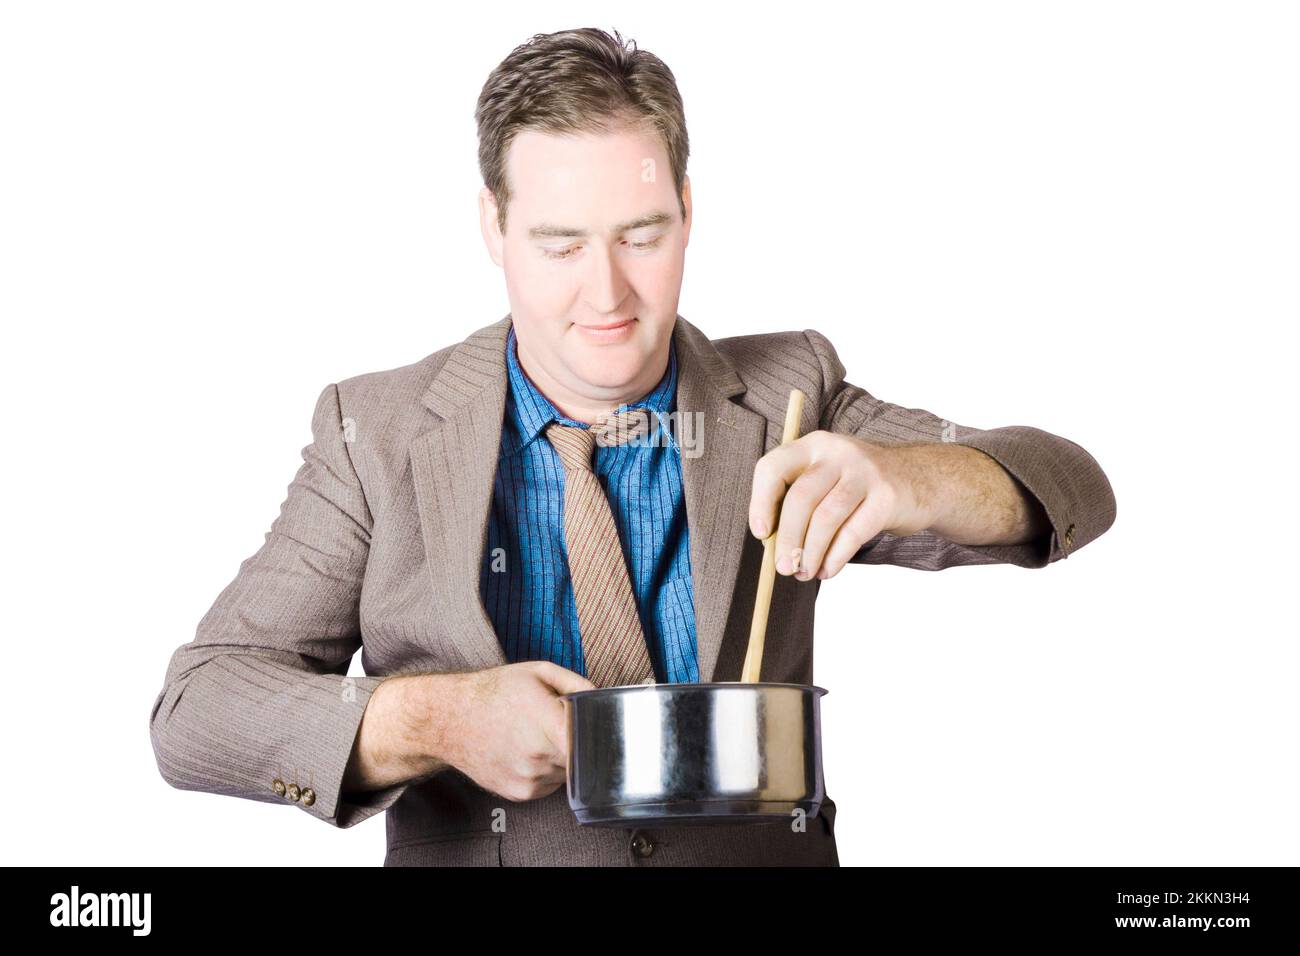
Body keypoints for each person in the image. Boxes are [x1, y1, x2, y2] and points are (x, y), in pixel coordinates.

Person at [148, 27, 1116, 866]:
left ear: (688, 213)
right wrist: (429, 717)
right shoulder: (379, 431)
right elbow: (199, 710)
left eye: (641, 236)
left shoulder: (788, 390)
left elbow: (1067, 482)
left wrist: (912, 476)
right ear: (494, 224)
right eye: (561, 243)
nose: (607, 295)